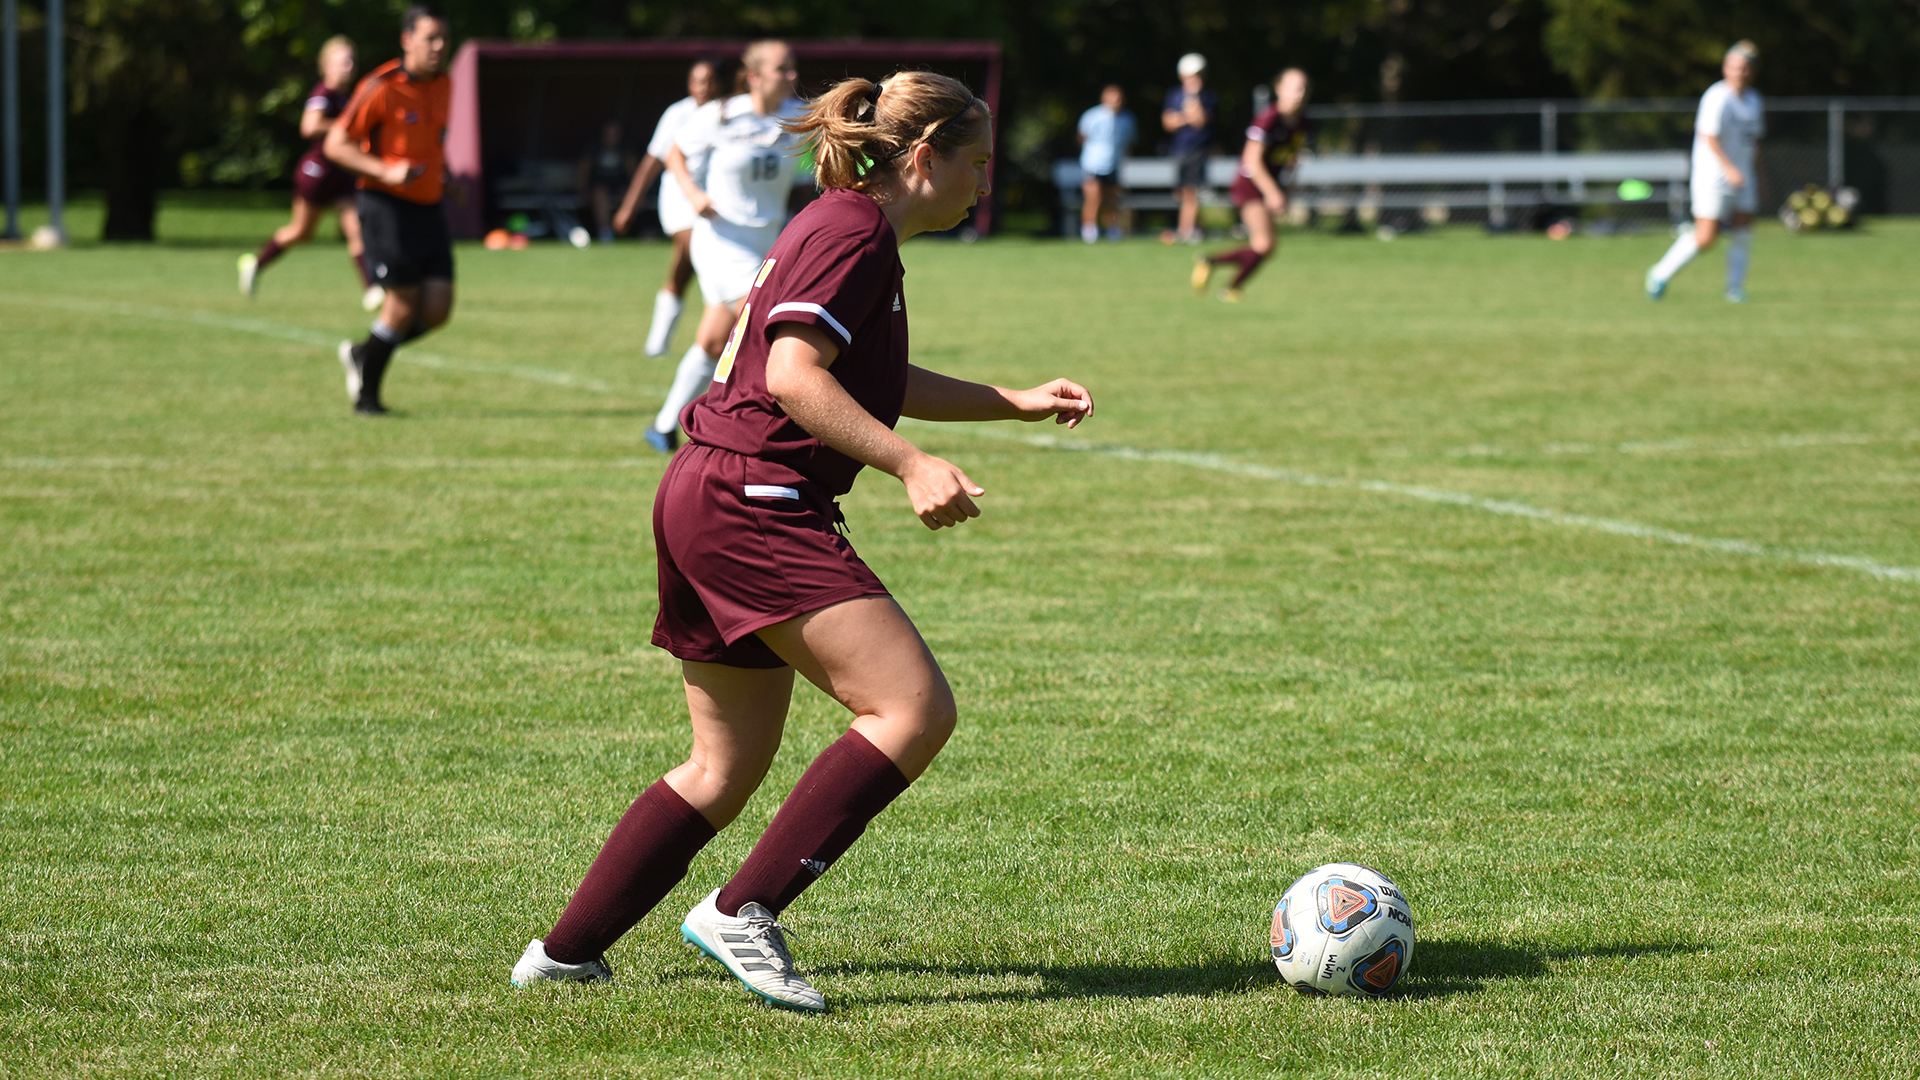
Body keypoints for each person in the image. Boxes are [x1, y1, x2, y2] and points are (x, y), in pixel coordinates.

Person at [509, 69, 1094, 1013]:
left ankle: (563, 954)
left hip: (708, 488)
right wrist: (911, 465)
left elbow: (863, 377)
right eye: (977, 165)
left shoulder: (848, 225)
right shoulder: (855, 231)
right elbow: (792, 375)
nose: (985, 185)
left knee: (721, 768)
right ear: (924, 156)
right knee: (910, 709)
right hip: (754, 499)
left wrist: (1009, 401)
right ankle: (745, 910)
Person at [643, 41, 804, 454]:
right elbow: (674, 153)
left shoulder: (797, 116)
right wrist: (694, 194)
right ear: (753, 76)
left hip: (766, 241)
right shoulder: (720, 114)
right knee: (762, 325)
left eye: (792, 68)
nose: (792, 76)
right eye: (782, 69)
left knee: (715, 341)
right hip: (720, 241)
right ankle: (763, 428)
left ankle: (662, 426)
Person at [324, 4, 453, 416]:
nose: (438, 47)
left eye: (443, 39)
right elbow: (335, 144)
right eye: (430, 38)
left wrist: (448, 180)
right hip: (385, 206)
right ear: (407, 39)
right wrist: (384, 170)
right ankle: (368, 398)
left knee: (436, 309)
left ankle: (365, 352)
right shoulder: (381, 86)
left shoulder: (445, 84)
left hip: (429, 207)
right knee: (400, 306)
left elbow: (432, 141)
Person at [237, 36, 382, 313]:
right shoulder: (322, 94)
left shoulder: (349, 98)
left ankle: (372, 289)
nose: (349, 66)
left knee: (356, 231)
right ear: (326, 66)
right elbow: (309, 126)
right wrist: (346, 126)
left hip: (342, 174)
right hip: (317, 172)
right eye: (343, 61)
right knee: (301, 232)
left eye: (352, 60)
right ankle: (254, 264)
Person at [614, 60, 722, 358]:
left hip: (711, 204)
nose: (704, 87)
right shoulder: (678, 114)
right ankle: (720, 332)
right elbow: (652, 161)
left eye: (710, 80)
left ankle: (658, 343)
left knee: (683, 269)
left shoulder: (728, 112)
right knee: (700, 255)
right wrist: (628, 207)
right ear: (689, 84)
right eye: (698, 81)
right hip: (678, 200)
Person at [1646, 41, 1766, 304]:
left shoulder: (1754, 100)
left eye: (1744, 68)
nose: (1739, 72)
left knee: (1743, 231)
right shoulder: (1717, 97)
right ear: (1726, 68)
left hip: (1744, 177)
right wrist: (1730, 169)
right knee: (1707, 237)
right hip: (1714, 178)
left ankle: (1734, 289)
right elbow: (1709, 138)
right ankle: (1660, 273)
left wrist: (1759, 176)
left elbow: (1754, 142)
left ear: (1752, 71)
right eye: (1734, 67)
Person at [1192, 68, 1312, 302]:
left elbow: (1294, 158)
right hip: (1249, 185)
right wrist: (1273, 192)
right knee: (1264, 243)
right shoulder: (1269, 118)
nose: (1299, 93)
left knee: (1266, 246)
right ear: (1279, 89)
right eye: (1294, 87)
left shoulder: (1303, 122)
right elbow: (1251, 160)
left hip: (1270, 187)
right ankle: (1228, 285)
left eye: (1303, 87)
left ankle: (1215, 268)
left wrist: (1287, 190)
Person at [1160, 54, 1216, 245]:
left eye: (1198, 75)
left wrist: (1191, 101)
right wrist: (1186, 117)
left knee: (1190, 191)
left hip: (1198, 150)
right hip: (1179, 149)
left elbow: (1200, 120)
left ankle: (1185, 232)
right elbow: (1168, 123)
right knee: (1181, 193)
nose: (1195, 79)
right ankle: (1197, 229)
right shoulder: (1174, 95)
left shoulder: (1207, 96)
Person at [1076, 85, 1135, 243]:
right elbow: (1082, 136)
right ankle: (1089, 231)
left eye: (1118, 98)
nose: (1116, 102)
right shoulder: (1092, 116)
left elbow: (1128, 143)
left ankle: (1111, 230)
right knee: (1093, 198)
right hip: (1093, 164)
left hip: (1113, 164)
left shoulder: (1127, 119)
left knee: (1110, 200)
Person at [577, 120, 636, 243]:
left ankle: (630, 231)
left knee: (629, 194)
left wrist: (636, 193)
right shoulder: (594, 147)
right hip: (599, 185)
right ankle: (606, 232)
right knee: (600, 193)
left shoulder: (625, 148)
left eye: (614, 134)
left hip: (620, 185)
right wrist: (582, 189)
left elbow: (633, 173)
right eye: (608, 133)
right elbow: (584, 170)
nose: (611, 137)